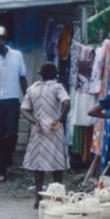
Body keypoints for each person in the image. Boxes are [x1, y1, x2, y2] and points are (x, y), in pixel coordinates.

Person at [20, 62, 71, 208]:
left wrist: (34, 121)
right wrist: (60, 120)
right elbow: (67, 103)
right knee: (57, 164)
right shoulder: (57, 87)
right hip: (54, 128)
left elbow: (23, 109)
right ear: (55, 75)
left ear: (41, 75)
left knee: (38, 165)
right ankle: (58, 196)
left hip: (39, 130)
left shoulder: (32, 88)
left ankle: (38, 198)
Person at [0, 25, 27, 182]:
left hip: (13, 100)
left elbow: (22, 78)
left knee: (12, 134)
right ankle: (0, 170)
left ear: (6, 40)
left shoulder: (17, 56)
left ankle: (8, 159)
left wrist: (27, 97)